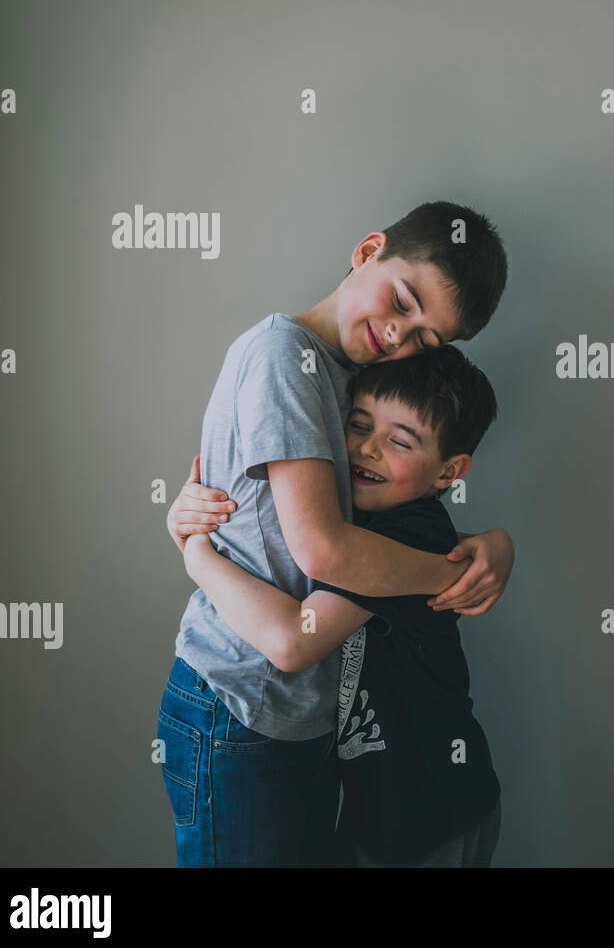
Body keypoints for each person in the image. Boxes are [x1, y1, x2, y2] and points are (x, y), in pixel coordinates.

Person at [156, 201, 512, 866]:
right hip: (239, 701)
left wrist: (487, 542)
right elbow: (324, 550)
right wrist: (450, 572)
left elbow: (378, 517)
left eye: (426, 341)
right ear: (368, 248)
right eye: (401, 300)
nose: (398, 335)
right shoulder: (282, 355)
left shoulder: (353, 378)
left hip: (298, 715)